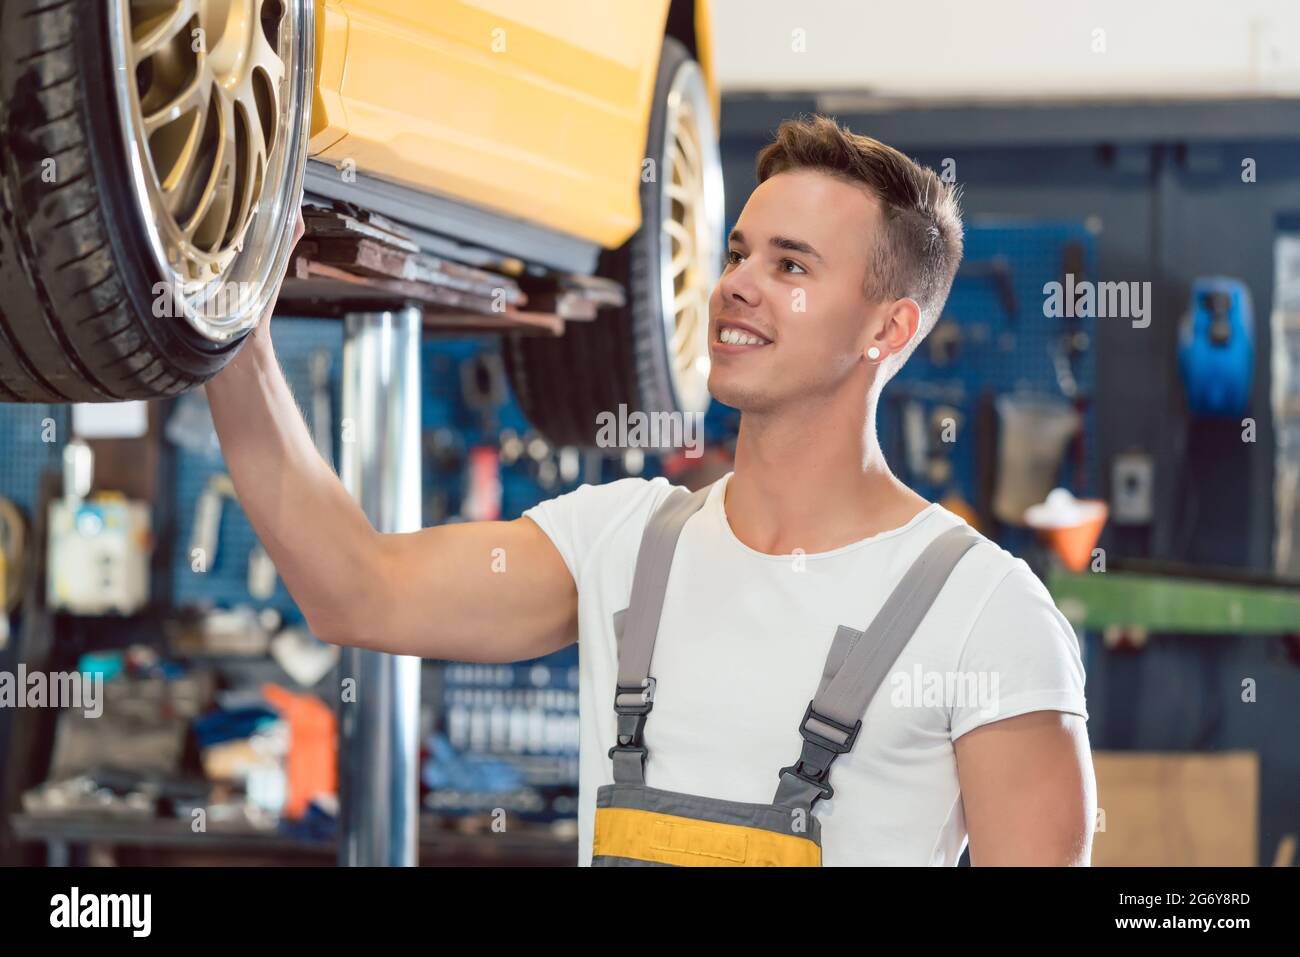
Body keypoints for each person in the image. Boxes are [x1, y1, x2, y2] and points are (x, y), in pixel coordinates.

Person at [207, 114, 1095, 866]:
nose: (736, 284)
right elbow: (355, 588)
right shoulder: (624, 542)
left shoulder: (988, 614)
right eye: (739, 251)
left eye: (791, 266)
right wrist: (230, 329)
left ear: (887, 327)